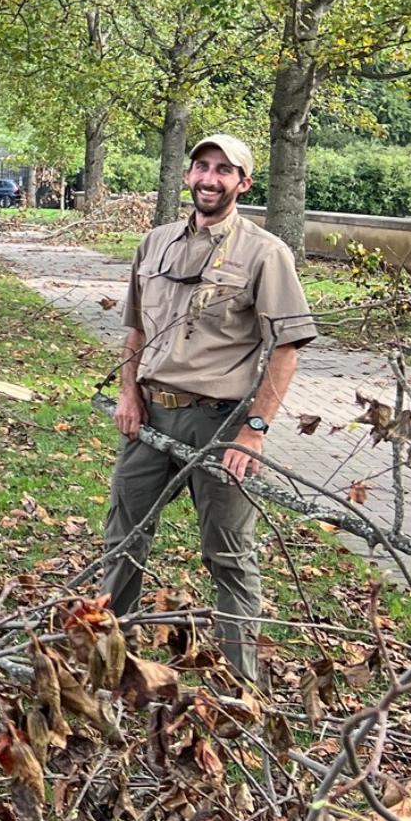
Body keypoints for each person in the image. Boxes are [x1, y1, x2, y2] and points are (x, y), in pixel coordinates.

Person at [102, 133, 316, 689]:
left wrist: (254, 430)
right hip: (150, 418)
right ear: (187, 174)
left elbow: (286, 348)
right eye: (202, 167)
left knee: (229, 555)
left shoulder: (266, 253)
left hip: (221, 424)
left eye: (224, 170)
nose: (209, 179)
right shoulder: (155, 244)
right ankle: (109, 666)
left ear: (244, 183)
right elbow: (136, 328)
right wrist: (130, 392)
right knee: (124, 541)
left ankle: (243, 690)